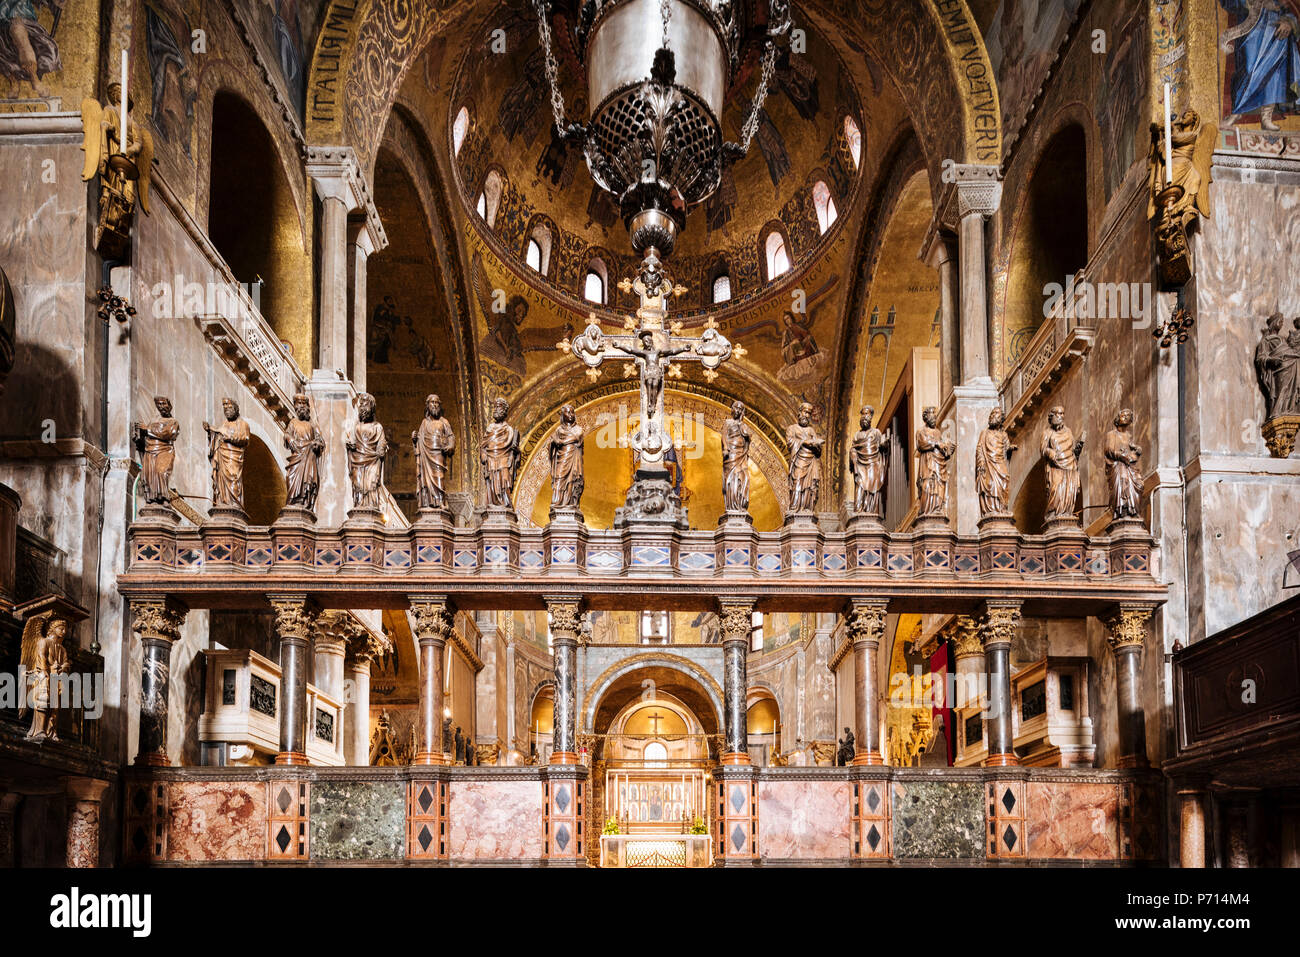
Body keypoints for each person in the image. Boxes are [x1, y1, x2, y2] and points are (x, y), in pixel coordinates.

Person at [203, 397, 249, 510]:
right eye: (225, 409)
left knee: (233, 478)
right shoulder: (224, 424)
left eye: (229, 408)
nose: (227, 411)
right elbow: (217, 437)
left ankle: (234, 504)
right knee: (220, 481)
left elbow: (245, 439)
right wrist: (210, 431)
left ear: (235, 409)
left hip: (233, 457)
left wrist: (229, 437)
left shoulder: (242, 424)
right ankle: (222, 502)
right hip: (221, 455)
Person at [1041, 406, 1085, 524]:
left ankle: (1067, 513)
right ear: (1052, 416)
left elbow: (1073, 450)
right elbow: (1043, 449)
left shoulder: (1068, 431)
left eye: (1062, 414)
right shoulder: (1047, 433)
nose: (1061, 417)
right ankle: (1054, 514)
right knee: (1056, 490)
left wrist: (1078, 449)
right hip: (1056, 467)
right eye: (1058, 414)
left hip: (1070, 465)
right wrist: (1049, 452)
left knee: (1069, 490)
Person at [412, 394, 456, 510]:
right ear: (428, 405)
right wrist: (415, 440)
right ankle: (427, 503)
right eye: (432, 402)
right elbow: (419, 441)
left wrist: (450, 446)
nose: (435, 405)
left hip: (438, 454)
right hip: (426, 456)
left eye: (437, 403)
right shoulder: (424, 423)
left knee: (439, 477)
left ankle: (440, 502)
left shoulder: (443, 422)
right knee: (426, 480)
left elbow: (451, 436)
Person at [134, 395, 179, 506]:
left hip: (165, 450)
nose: (161, 406)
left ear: (169, 405)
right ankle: (153, 498)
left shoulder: (173, 421)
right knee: (149, 475)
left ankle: (164, 498)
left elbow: (169, 433)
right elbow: (147, 437)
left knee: (161, 472)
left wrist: (147, 429)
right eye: (159, 404)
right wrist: (139, 437)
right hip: (150, 449)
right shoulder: (153, 420)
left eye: (164, 404)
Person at [346, 392, 388, 509]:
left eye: (365, 404)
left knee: (371, 484)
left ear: (372, 407)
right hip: (358, 460)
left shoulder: (377, 427)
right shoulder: (356, 427)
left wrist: (381, 447)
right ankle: (359, 505)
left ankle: (372, 507)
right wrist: (350, 445)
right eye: (361, 404)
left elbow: (382, 442)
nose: (362, 407)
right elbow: (352, 441)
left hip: (373, 460)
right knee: (358, 484)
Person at [283, 393, 324, 512]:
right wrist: (289, 439)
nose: (301, 406)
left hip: (309, 456)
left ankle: (305, 501)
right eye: (299, 404)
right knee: (290, 477)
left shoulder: (312, 424)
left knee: (308, 480)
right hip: (297, 456)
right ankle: (293, 502)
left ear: (307, 407)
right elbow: (287, 434)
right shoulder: (293, 422)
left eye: (303, 404)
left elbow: (321, 441)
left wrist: (317, 444)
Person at [974, 407, 1016, 517]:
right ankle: (991, 509)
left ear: (1001, 419)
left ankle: (1002, 508)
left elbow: (1006, 446)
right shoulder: (984, 433)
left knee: (1003, 483)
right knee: (990, 485)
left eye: (996, 414)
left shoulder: (1004, 435)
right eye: (992, 413)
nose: (992, 415)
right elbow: (979, 448)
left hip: (1000, 463)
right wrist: (981, 463)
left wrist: (1010, 448)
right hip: (988, 464)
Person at [481, 397, 521, 509]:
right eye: (495, 407)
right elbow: (483, 445)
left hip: (504, 457)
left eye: (498, 407)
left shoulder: (509, 430)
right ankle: (493, 503)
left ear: (504, 410)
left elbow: (515, 451)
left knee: (504, 480)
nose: (495, 410)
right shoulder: (490, 428)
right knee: (492, 480)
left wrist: (516, 451)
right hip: (491, 458)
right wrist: (483, 454)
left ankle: (505, 502)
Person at [915, 406, 955, 518]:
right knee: (927, 486)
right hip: (927, 463)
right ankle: (927, 511)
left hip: (939, 464)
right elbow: (921, 444)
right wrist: (937, 444)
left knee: (939, 485)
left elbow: (942, 450)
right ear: (926, 418)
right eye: (931, 418)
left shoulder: (937, 432)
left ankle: (937, 509)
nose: (934, 420)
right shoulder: (921, 431)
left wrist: (948, 451)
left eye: (935, 418)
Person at [1104, 408, 1143, 520]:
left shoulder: (1128, 436)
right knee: (1121, 485)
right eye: (1123, 415)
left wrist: (1137, 450)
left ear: (1131, 420)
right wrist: (1121, 457)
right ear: (1118, 418)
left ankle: (1132, 509)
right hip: (1118, 466)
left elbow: (1133, 449)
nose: (1125, 417)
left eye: (1128, 416)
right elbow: (1108, 450)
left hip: (1129, 467)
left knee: (1138, 484)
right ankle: (1121, 510)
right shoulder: (1112, 434)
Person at [785, 401, 823, 512]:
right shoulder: (792, 428)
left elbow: (818, 452)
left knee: (811, 486)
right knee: (797, 482)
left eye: (808, 414)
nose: (806, 415)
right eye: (805, 412)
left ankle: (807, 508)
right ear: (800, 412)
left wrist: (816, 445)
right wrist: (805, 442)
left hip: (811, 462)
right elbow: (790, 442)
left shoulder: (811, 430)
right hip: (799, 461)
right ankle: (795, 508)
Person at [850, 405, 887, 516]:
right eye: (862, 414)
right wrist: (853, 454)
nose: (864, 417)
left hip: (873, 464)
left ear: (871, 416)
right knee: (860, 486)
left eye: (866, 414)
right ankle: (859, 511)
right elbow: (853, 448)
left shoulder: (876, 433)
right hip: (860, 464)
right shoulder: (857, 435)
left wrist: (885, 445)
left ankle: (871, 511)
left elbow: (882, 446)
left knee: (872, 488)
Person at [548, 404, 584, 510]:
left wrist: (560, 441)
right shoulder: (559, 430)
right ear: (563, 415)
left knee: (572, 479)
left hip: (573, 458)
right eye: (568, 412)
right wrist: (554, 442)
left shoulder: (578, 429)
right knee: (559, 477)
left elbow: (576, 437)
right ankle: (558, 502)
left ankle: (570, 502)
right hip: (561, 457)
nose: (571, 415)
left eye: (572, 412)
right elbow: (552, 443)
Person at [721, 400, 753, 513]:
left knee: (745, 478)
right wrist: (725, 448)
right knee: (731, 479)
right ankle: (732, 505)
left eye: (740, 409)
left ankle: (741, 504)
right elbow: (724, 436)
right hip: (731, 455)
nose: (737, 411)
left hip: (741, 455)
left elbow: (748, 438)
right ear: (732, 409)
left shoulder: (743, 425)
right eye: (736, 408)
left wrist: (743, 427)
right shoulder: (728, 422)